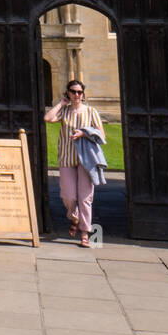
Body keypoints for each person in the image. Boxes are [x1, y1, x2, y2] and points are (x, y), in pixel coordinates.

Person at [44, 79, 104, 247]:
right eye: (73, 91)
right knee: (68, 196)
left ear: (83, 94)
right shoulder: (65, 111)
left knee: (85, 198)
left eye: (79, 92)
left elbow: (102, 136)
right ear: (68, 93)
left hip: (87, 161)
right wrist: (61, 103)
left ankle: (85, 233)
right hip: (67, 158)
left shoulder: (91, 112)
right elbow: (47, 118)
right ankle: (74, 216)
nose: (76, 95)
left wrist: (84, 134)